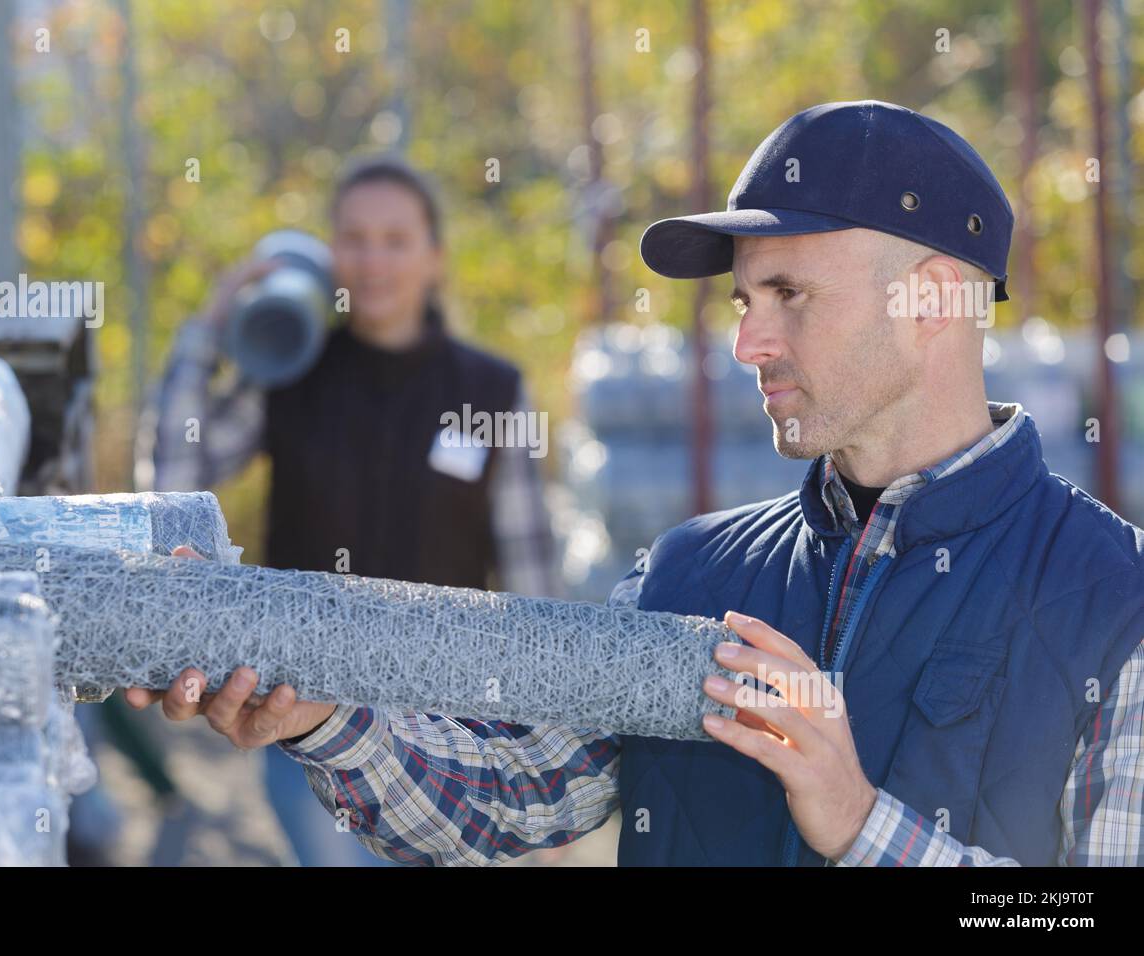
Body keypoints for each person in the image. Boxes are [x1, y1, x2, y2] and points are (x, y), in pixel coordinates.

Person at [130, 101, 1144, 866]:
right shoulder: (694, 571)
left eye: (788, 293)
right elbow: (516, 789)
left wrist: (859, 824)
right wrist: (319, 718)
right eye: (745, 298)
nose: (746, 339)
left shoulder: (1113, 596)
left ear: (934, 295)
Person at [147, 154, 561, 866]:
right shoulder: (290, 370)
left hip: (455, 743)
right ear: (331, 254)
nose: (373, 261)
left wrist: (544, 742)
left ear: (434, 257)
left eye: (395, 240)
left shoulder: (491, 389)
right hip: (307, 726)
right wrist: (210, 328)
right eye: (354, 239)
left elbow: (533, 575)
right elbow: (177, 474)